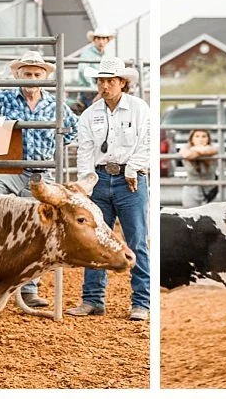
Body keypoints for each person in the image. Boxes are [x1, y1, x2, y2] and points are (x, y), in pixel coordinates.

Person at [0, 50, 78, 307]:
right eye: (27, 73)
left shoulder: (56, 104)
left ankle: (29, 287)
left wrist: (56, 147)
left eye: (36, 74)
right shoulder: (5, 98)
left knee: (37, 226)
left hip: (40, 173)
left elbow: (72, 129)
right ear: (18, 75)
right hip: (10, 170)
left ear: (44, 77)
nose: (31, 78)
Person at [67, 56, 150, 321]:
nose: (104, 86)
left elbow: (145, 144)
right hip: (101, 178)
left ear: (122, 83)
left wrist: (131, 168)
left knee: (136, 239)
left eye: (110, 81)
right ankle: (93, 299)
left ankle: (142, 301)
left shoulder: (139, 109)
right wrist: (86, 182)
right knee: (95, 240)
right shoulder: (90, 115)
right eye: (101, 81)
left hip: (130, 179)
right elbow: (85, 150)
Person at [75, 27, 115, 110]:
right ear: (94, 40)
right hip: (89, 89)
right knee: (97, 110)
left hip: (102, 88)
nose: (101, 41)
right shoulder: (86, 53)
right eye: (98, 38)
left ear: (107, 40)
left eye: (104, 38)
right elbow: (83, 71)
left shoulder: (107, 56)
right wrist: (94, 88)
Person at [179, 129, 219, 207]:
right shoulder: (185, 148)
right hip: (191, 191)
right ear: (192, 139)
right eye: (197, 136)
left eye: (204, 136)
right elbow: (186, 154)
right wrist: (200, 151)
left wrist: (194, 150)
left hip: (210, 191)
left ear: (208, 139)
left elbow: (212, 149)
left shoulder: (213, 148)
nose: (200, 139)